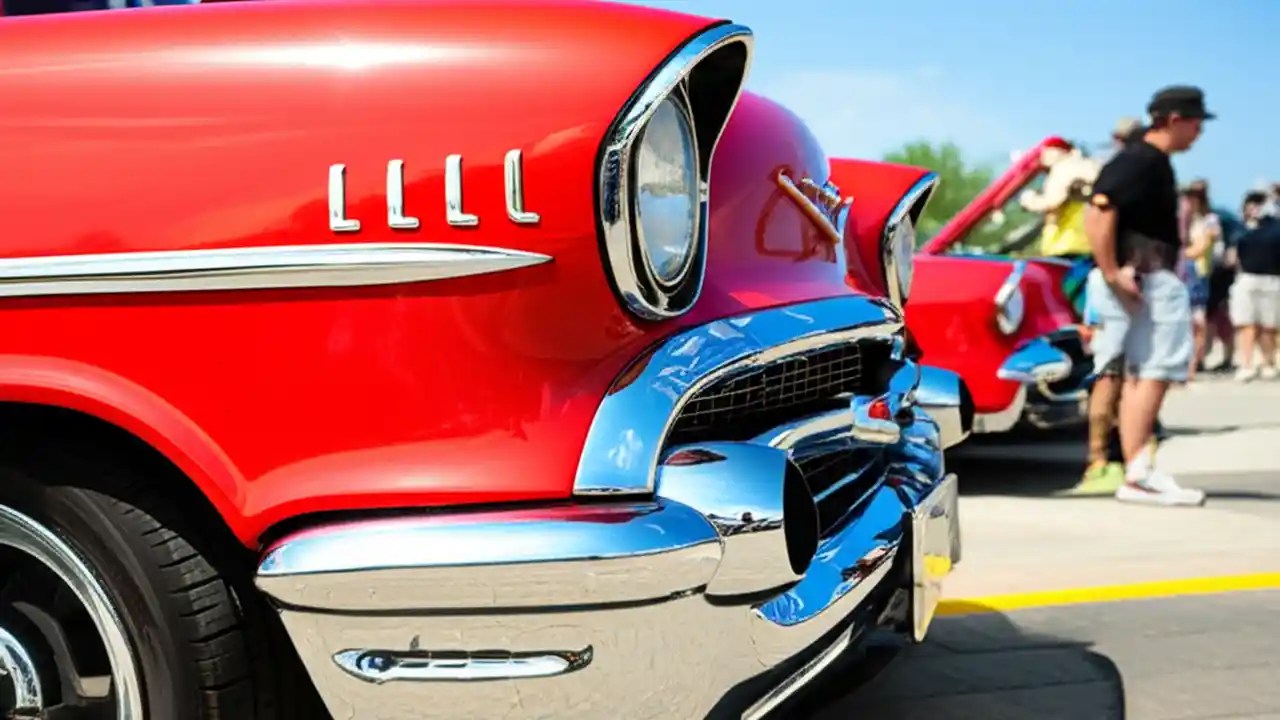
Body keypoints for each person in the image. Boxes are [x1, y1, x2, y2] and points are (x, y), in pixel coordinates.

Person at [1082, 85, 1212, 507]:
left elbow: (1099, 206)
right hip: (1149, 279)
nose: (1198, 133)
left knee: (1142, 372)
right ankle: (1138, 471)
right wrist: (1110, 270)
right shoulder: (1145, 159)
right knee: (1154, 370)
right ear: (1175, 119)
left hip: (1141, 278)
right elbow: (1099, 208)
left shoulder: (1141, 159)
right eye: (1195, 123)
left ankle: (1137, 468)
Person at [1230, 192, 1280, 380]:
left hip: (1272, 279)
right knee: (1246, 323)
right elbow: (1233, 253)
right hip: (1247, 278)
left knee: (1269, 325)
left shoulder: (1275, 227)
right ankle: (1247, 363)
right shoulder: (1241, 229)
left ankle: (1268, 363)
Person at [1179, 182, 1222, 379]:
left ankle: (1193, 365)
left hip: (1197, 274)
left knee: (1197, 321)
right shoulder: (1181, 220)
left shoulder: (1209, 221)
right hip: (1182, 274)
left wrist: (1180, 252)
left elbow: (1199, 249)